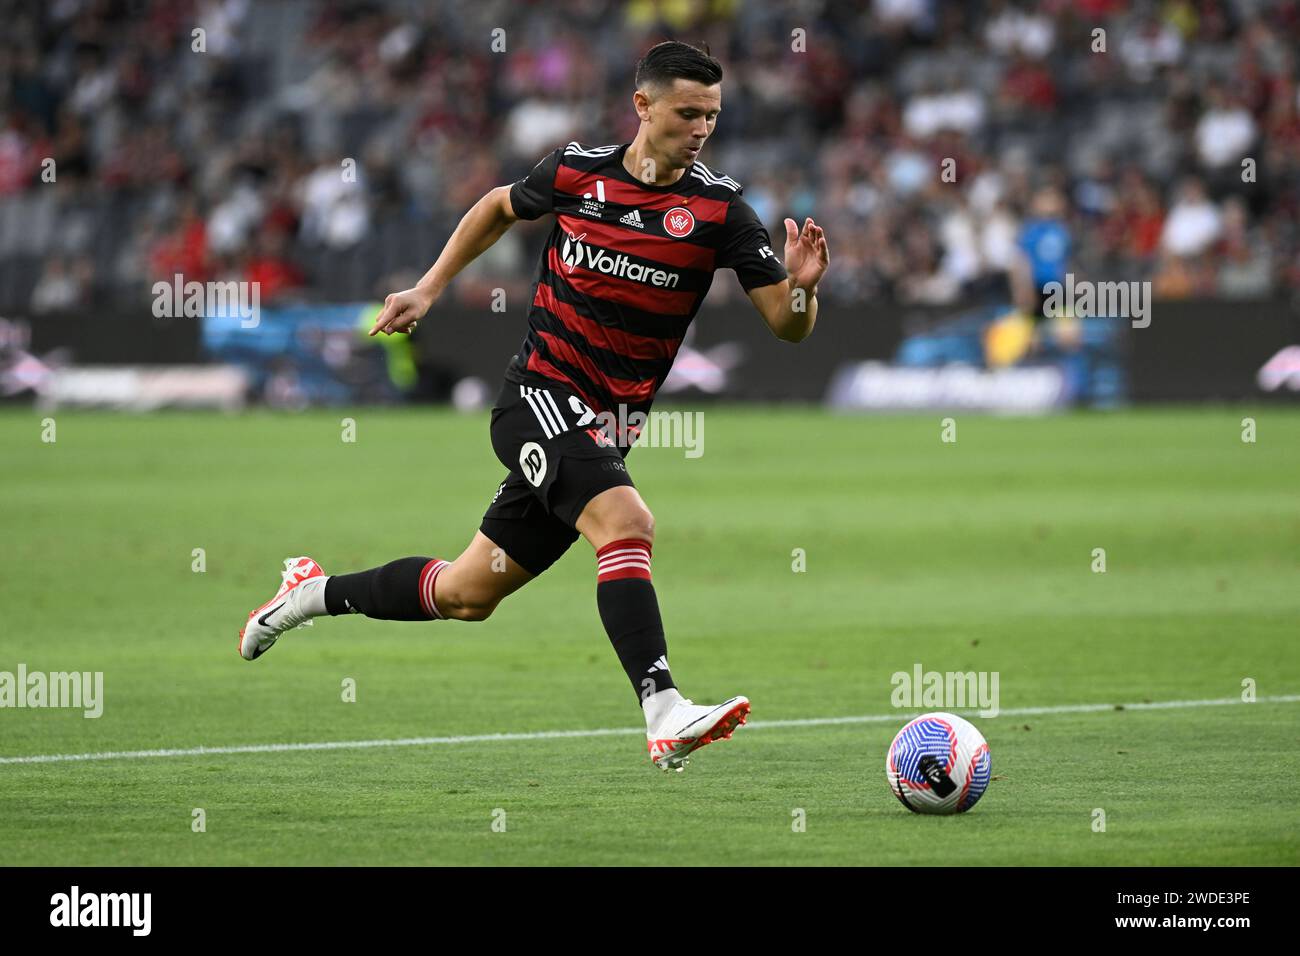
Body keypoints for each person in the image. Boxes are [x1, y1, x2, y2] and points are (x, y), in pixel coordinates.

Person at [237, 41, 830, 772]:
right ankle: (664, 706)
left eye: (712, 114)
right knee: (627, 521)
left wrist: (803, 288)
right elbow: (495, 207)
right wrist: (428, 287)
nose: (702, 128)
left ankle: (307, 594)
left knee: (465, 593)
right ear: (642, 106)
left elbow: (788, 325)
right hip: (537, 398)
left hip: (607, 430)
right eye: (687, 113)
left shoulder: (722, 211)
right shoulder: (578, 173)